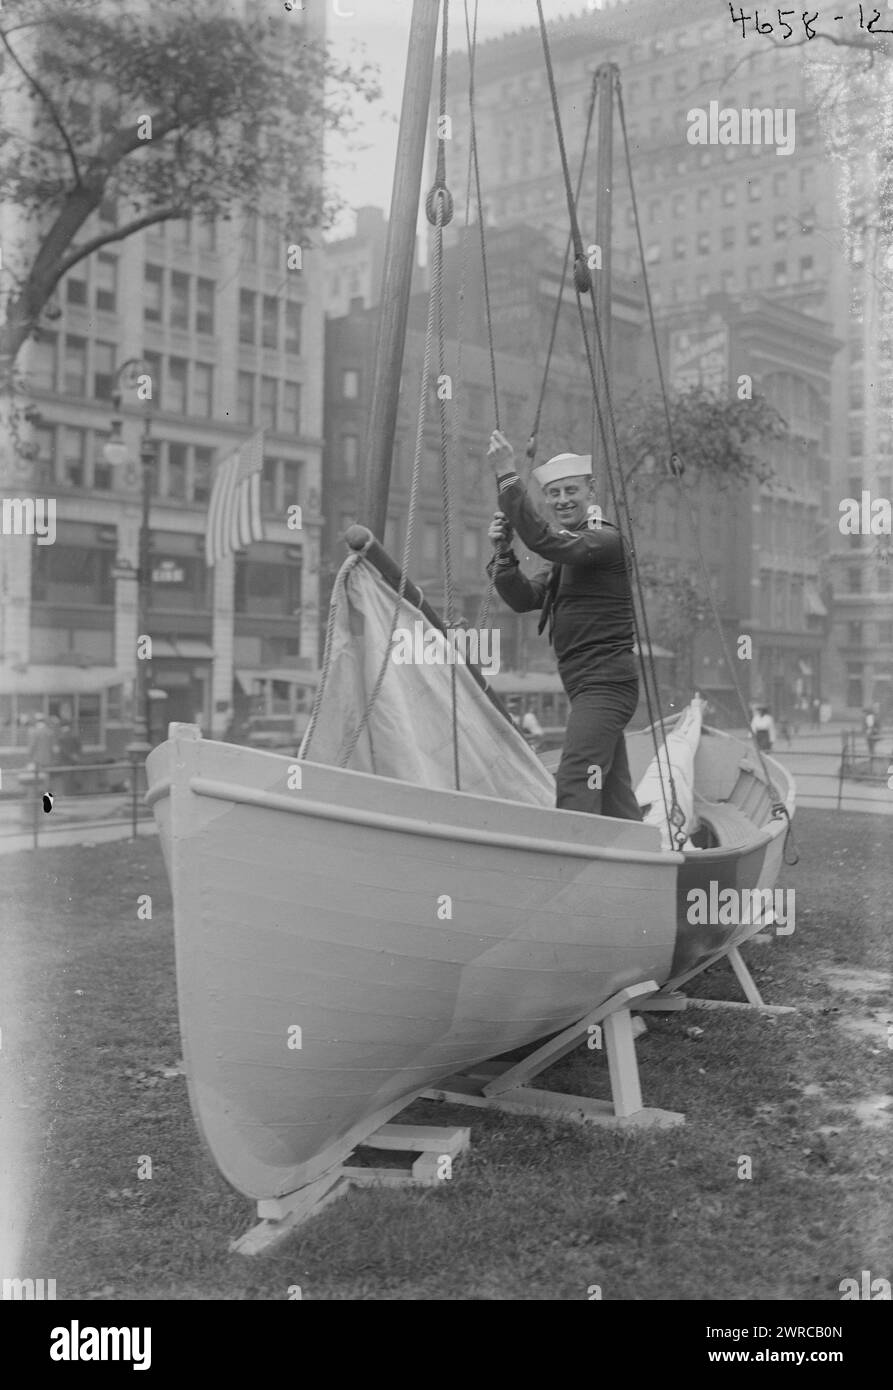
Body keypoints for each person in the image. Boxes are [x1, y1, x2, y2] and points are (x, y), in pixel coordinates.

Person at [485, 431, 642, 819]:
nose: (562, 501)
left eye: (570, 490)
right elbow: (524, 599)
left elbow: (546, 541)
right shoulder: (568, 557)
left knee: (575, 777)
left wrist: (506, 474)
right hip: (587, 686)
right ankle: (641, 856)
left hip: (606, 685)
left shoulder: (603, 541)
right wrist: (504, 552)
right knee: (609, 788)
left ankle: (573, 869)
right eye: (553, 495)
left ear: (591, 489)